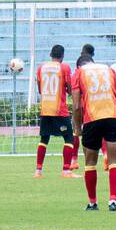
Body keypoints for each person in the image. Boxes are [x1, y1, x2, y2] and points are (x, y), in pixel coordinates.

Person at [72, 56, 116, 211]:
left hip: (92, 119)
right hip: (112, 116)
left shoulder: (79, 73)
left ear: (79, 65)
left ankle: (93, 202)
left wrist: (78, 127)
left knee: (90, 162)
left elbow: (76, 106)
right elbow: (115, 93)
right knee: (114, 161)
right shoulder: (110, 70)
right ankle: (113, 200)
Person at [34, 44, 77, 179]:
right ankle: (66, 170)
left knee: (44, 139)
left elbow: (40, 90)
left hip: (46, 109)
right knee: (69, 138)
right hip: (60, 110)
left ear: (50, 55)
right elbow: (70, 90)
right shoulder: (64, 68)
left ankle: (38, 171)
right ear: (62, 56)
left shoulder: (41, 68)